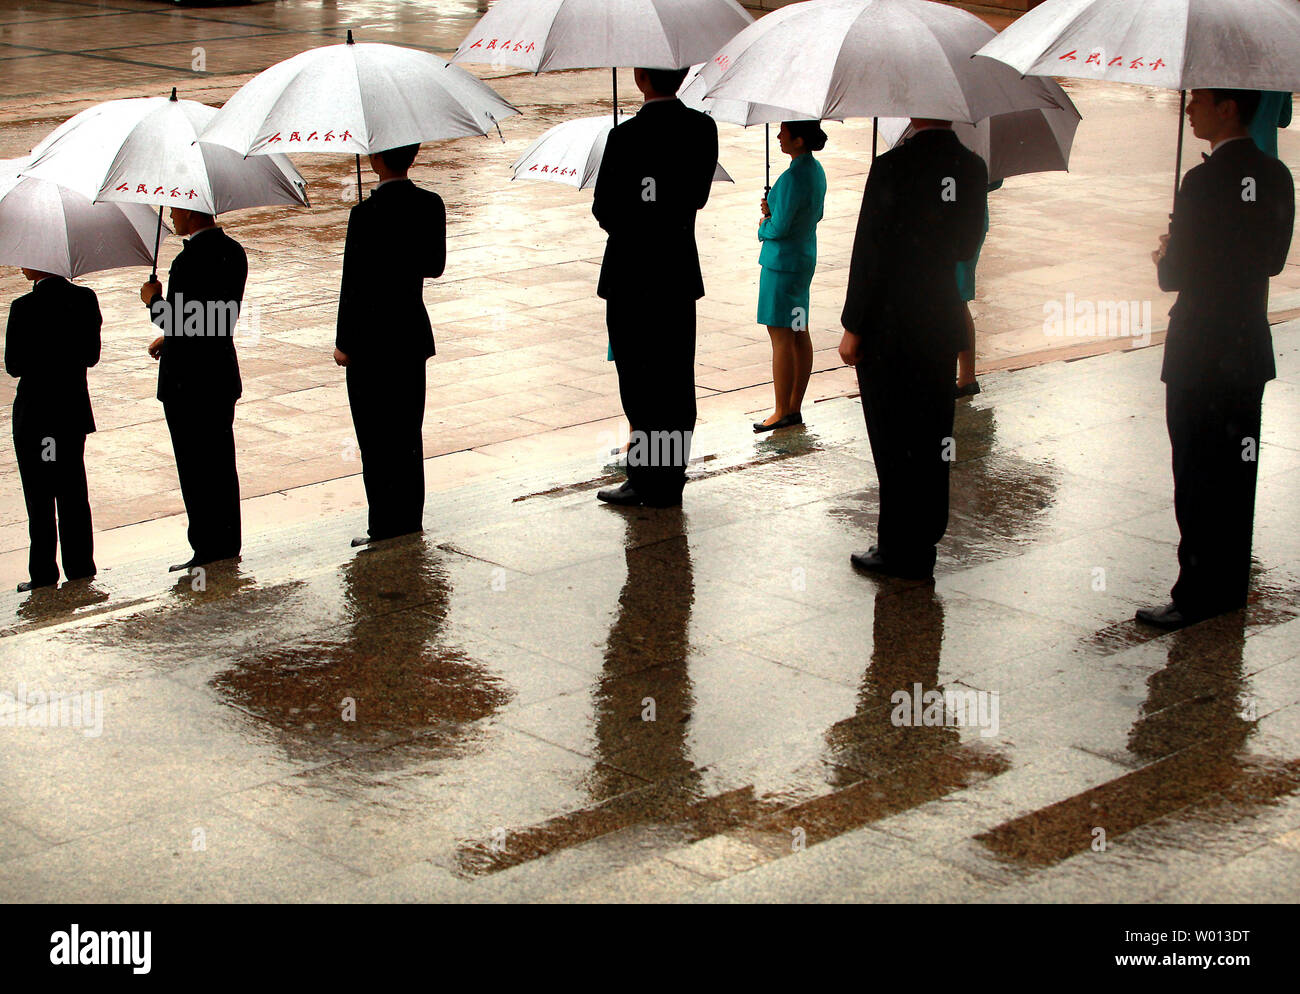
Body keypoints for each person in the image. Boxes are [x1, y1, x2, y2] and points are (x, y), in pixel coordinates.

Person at [1138, 89, 1294, 629]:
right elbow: (1272, 259)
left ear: (1228, 107)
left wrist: (1168, 252)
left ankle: (1195, 592)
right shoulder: (1277, 176)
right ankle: (1228, 588)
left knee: (1197, 471)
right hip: (1247, 347)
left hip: (1200, 349)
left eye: (1199, 100)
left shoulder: (1202, 183)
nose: (1190, 109)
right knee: (1235, 472)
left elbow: (1177, 275)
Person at [839, 119, 988, 580]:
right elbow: (966, 244)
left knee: (892, 436)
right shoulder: (972, 167)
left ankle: (897, 545)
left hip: (890, 325)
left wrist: (854, 326)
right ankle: (923, 540)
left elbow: (870, 254)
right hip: (938, 320)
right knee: (930, 434)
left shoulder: (890, 167)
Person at [593, 66, 719, 508]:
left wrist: (636, 224)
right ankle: (670, 477)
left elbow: (604, 209)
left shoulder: (624, 136)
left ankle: (645, 478)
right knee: (674, 377)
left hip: (630, 275)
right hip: (676, 273)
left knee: (640, 381)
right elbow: (696, 196)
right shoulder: (702, 129)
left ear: (639, 77)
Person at [334, 144, 446, 546]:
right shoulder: (431, 204)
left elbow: (354, 282)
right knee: (406, 433)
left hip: (369, 341)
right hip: (410, 336)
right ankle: (408, 520)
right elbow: (434, 265)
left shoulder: (364, 214)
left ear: (375, 160)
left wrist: (344, 342)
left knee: (375, 438)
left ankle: (382, 524)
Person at [142, 207, 246, 573]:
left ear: (190, 212)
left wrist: (154, 301)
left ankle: (205, 546)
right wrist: (169, 339)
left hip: (188, 382)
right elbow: (212, 319)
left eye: (174, 209)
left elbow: (183, 320)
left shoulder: (187, 262)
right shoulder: (234, 252)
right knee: (220, 462)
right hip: (219, 373)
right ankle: (227, 541)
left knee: (195, 467)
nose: (172, 215)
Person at [5, 268, 101, 591]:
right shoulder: (85, 299)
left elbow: (13, 366)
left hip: (35, 418)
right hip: (70, 414)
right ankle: (80, 566)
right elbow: (91, 356)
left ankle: (44, 572)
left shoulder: (22, 307)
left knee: (40, 496)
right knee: (73, 492)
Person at [754, 120, 828, 433]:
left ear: (798, 140)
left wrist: (763, 223)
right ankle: (794, 405)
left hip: (781, 265)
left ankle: (781, 409)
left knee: (781, 336)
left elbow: (779, 227)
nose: (779, 135)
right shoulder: (815, 170)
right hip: (803, 258)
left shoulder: (792, 177)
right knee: (799, 330)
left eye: (784, 131)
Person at [954, 179, 1003, 398]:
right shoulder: (975, 156)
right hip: (969, 218)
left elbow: (993, 180)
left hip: (958, 224)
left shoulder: (971, 158)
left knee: (954, 299)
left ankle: (966, 376)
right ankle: (967, 376)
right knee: (956, 300)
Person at [1249, 91, 1292, 159]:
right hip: (1269, 155)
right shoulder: (1282, 82)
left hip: (1237, 151)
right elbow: (1284, 120)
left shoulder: (1235, 81)